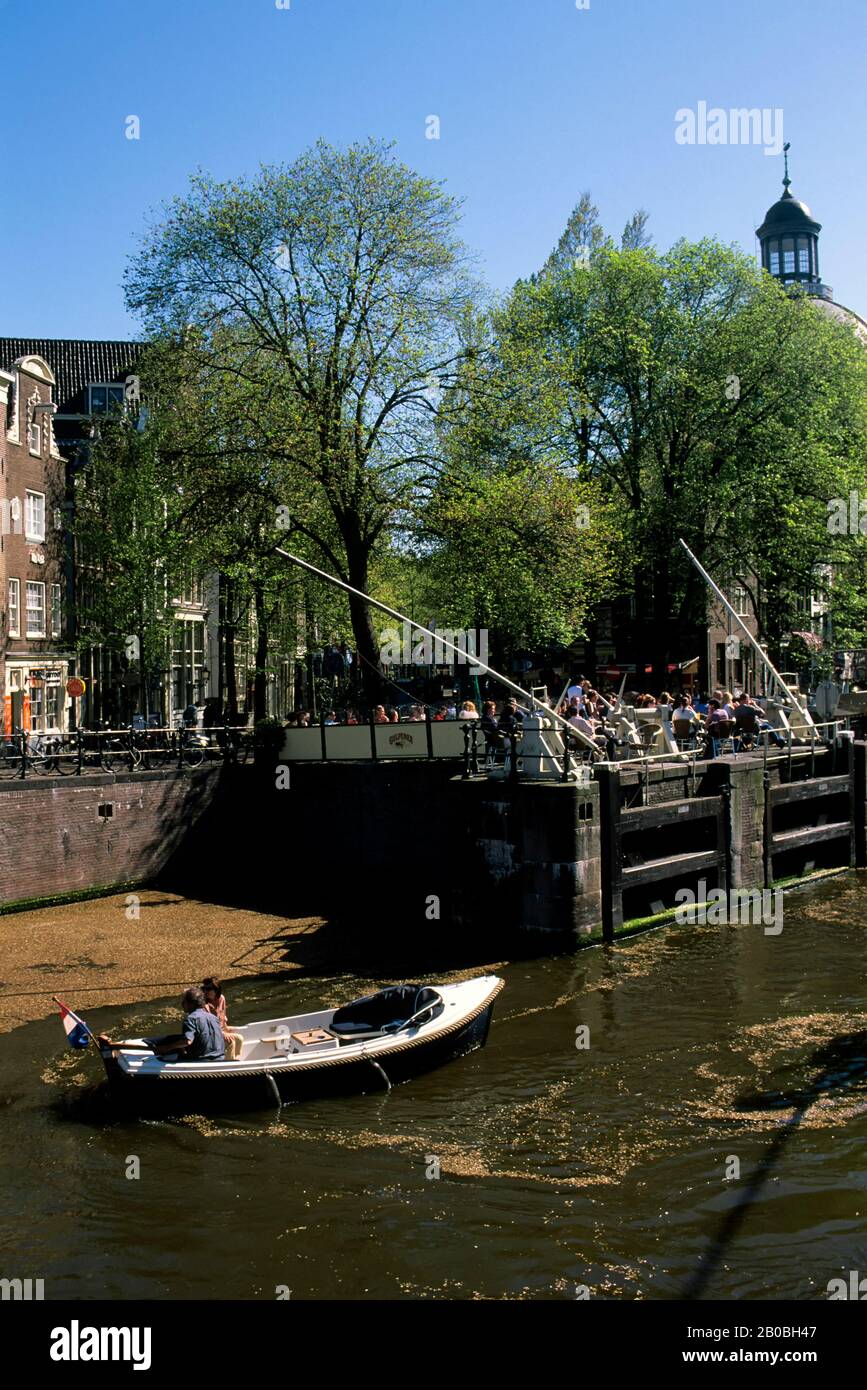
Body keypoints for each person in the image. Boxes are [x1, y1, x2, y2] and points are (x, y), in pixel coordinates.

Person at [97, 987, 225, 1062]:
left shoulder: (191, 1019)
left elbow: (187, 1041)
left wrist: (166, 1048)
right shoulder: (213, 1018)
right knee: (172, 1039)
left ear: (190, 1004)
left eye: (184, 1002)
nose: (182, 1004)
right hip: (219, 1058)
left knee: (168, 1049)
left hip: (200, 1061)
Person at [202, 976, 243, 1061]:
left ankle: (236, 1059)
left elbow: (223, 1016)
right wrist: (222, 1033)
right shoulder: (204, 1004)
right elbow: (207, 1027)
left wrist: (225, 1028)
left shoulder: (221, 999)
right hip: (211, 1034)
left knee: (240, 1038)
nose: (205, 991)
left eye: (209, 989)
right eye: (204, 988)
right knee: (231, 1042)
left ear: (216, 990)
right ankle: (228, 1065)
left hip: (220, 1030)